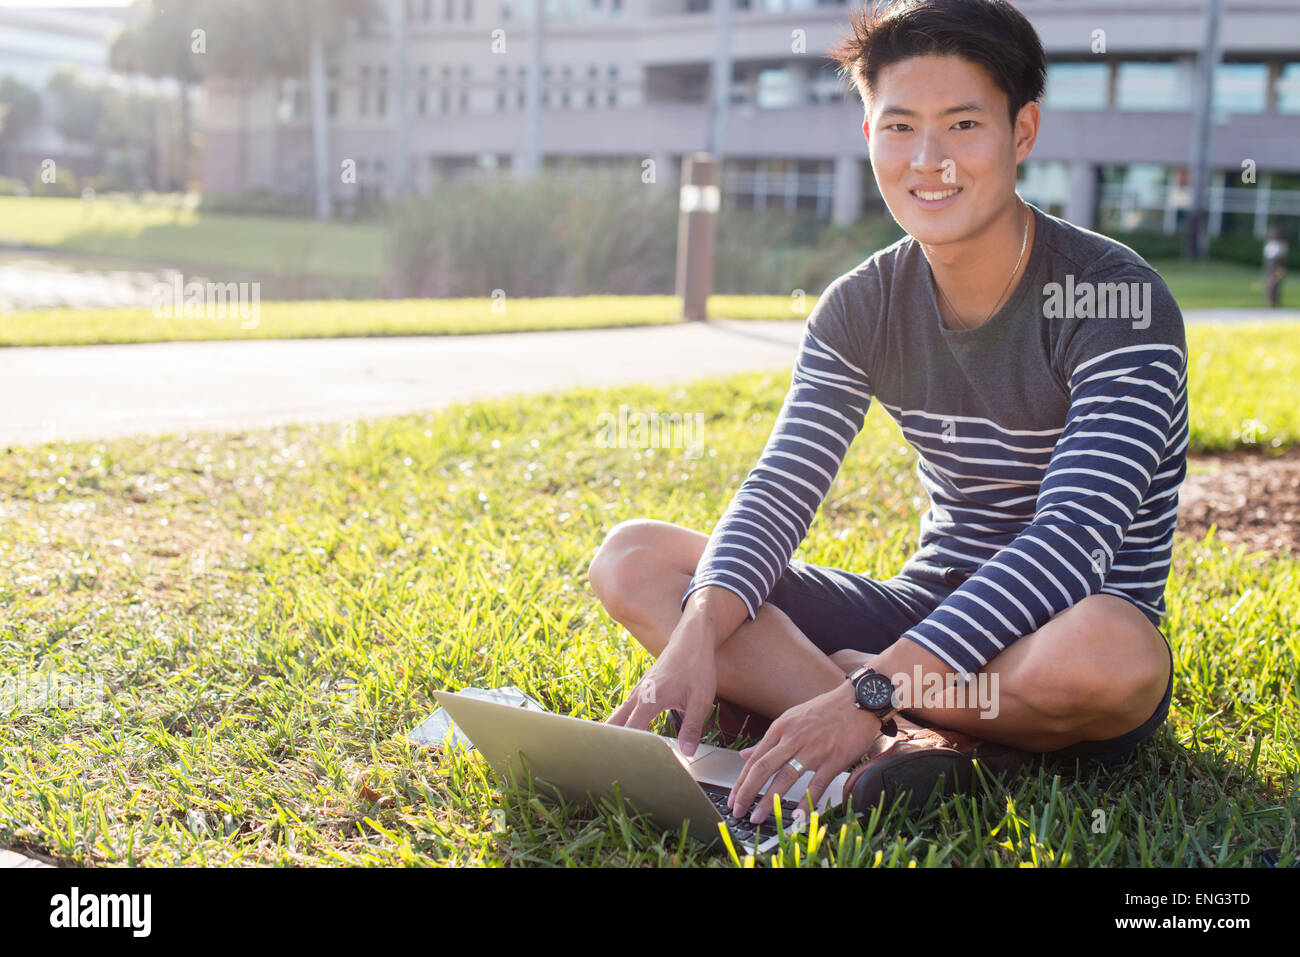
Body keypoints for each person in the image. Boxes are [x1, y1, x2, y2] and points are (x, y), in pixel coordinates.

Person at [590, 0, 1185, 830]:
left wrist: (870, 683)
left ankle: (861, 709)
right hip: (922, 613)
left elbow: (1072, 543)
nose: (928, 159)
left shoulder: (1114, 299)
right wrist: (697, 629)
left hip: (1050, 642)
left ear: (1022, 132)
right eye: (899, 127)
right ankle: (906, 745)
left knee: (1116, 656)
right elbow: (783, 483)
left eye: (963, 124)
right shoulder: (860, 304)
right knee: (636, 559)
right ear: (868, 133)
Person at [1263, 225, 1288, 308]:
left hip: (1276, 267)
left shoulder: (1281, 245)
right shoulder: (1270, 244)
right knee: (1270, 284)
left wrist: (1280, 269)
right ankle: (1269, 301)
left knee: (1276, 285)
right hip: (1270, 267)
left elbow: (1281, 259)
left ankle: (1275, 301)